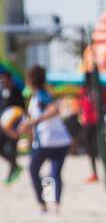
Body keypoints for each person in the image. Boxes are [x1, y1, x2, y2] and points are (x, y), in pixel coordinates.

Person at [21, 65, 72, 212]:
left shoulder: (41, 95)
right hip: (62, 140)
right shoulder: (42, 94)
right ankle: (54, 204)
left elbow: (54, 110)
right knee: (53, 173)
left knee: (33, 169)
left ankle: (44, 205)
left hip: (47, 141)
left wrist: (35, 121)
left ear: (30, 80)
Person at [0, 67, 25, 183]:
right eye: (1, 80)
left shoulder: (17, 92)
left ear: (10, 80)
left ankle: (11, 173)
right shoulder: (1, 92)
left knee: (12, 150)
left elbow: (21, 110)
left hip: (14, 127)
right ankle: (15, 166)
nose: (2, 82)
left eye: (4, 80)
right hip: (2, 127)